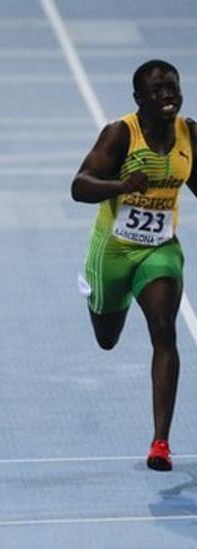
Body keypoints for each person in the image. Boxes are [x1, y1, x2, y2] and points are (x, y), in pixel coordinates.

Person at [73, 59, 197, 471]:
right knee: (106, 338)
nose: (168, 94)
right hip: (113, 250)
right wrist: (121, 185)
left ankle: (160, 443)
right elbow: (80, 185)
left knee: (164, 330)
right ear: (138, 99)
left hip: (159, 248)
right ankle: (108, 297)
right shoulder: (120, 133)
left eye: (173, 87)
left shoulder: (189, 134)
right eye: (158, 89)